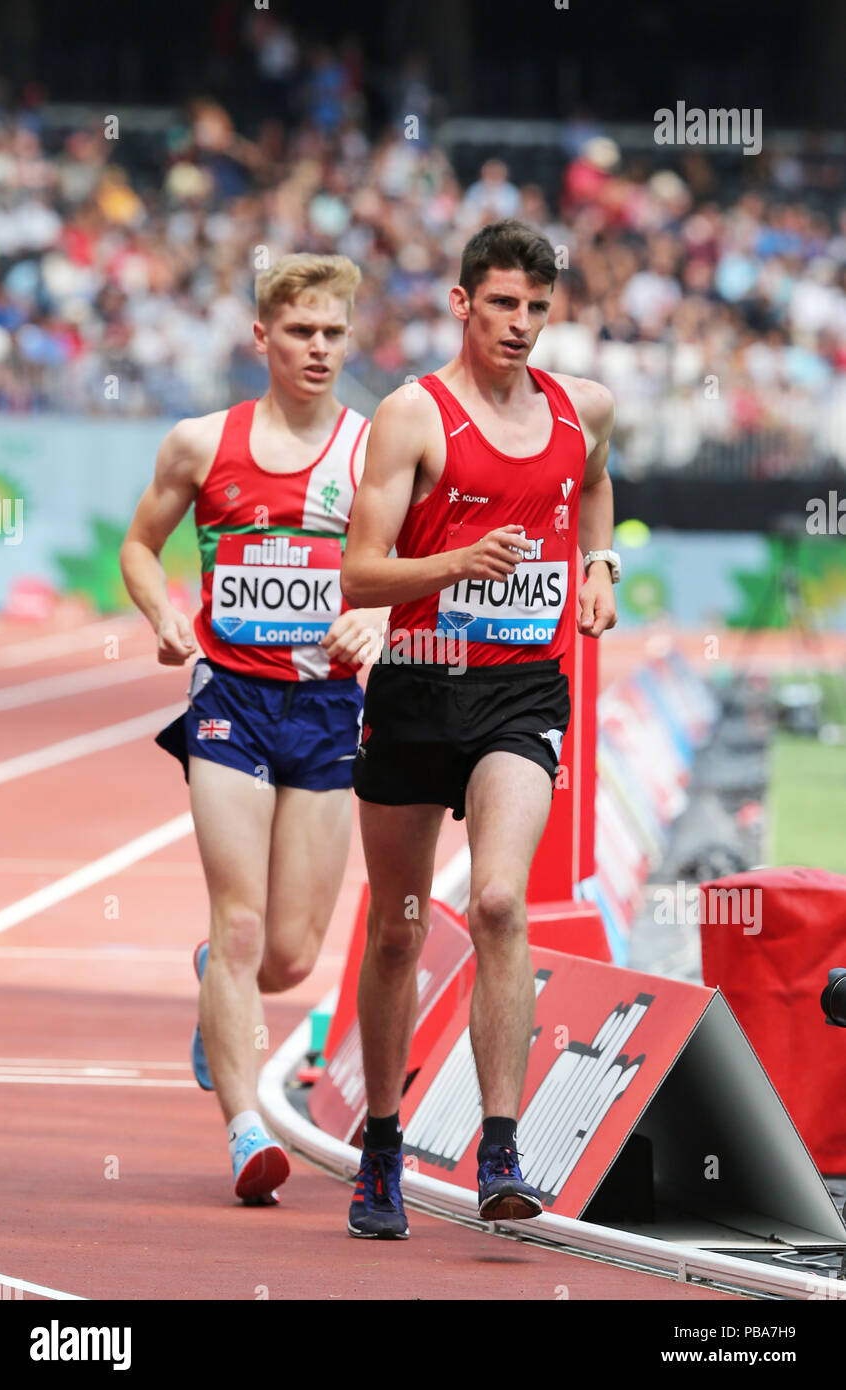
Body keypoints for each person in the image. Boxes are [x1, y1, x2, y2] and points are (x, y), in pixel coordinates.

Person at [340, 219, 619, 1238]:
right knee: (396, 929)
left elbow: (589, 487)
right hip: (416, 687)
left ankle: (499, 1149)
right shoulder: (412, 417)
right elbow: (358, 571)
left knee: (500, 900)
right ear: (462, 304)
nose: (520, 324)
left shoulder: (579, 410)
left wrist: (598, 567)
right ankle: (380, 1143)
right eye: (502, 304)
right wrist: (451, 565)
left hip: (519, 695)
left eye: (537, 308)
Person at [120, 253, 385, 1205]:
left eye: (334, 334)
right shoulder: (201, 445)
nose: (319, 349)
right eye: (301, 331)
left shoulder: (371, 452)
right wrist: (162, 616)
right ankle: (244, 1133)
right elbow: (140, 546)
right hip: (228, 700)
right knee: (236, 925)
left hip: (326, 711)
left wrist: (381, 619)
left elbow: (412, 567)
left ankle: (214, 981)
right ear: (261, 337)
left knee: (288, 957)